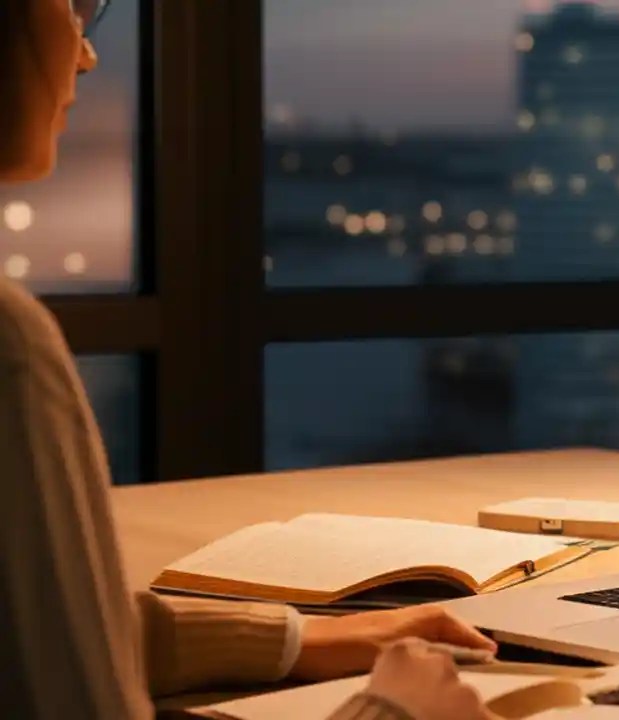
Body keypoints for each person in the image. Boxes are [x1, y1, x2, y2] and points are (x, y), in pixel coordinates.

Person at [0, 1, 498, 718]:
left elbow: (37, 636)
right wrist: (394, 710)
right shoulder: (10, 348)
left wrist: (295, 640)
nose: (86, 54)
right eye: (71, 6)